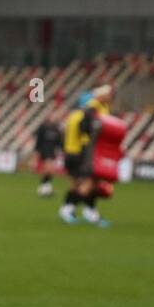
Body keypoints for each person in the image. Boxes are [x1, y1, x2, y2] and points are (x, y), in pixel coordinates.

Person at [57, 87, 111, 226]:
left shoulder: (73, 115)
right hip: (79, 153)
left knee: (76, 184)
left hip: (69, 153)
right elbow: (86, 136)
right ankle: (69, 209)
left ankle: (89, 212)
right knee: (89, 183)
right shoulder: (85, 116)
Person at [33, 111, 61, 197]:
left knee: (51, 170)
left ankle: (46, 187)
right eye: (53, 116)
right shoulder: (43, 127)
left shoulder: (57, 129)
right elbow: (38, 140)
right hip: (44, 150)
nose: (54, 118)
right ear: (49, 117)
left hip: (52, 151)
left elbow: (59, 141)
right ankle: (44, 187)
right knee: (48, 169)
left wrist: (58, 149)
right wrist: (37, 152)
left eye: (55, 116)